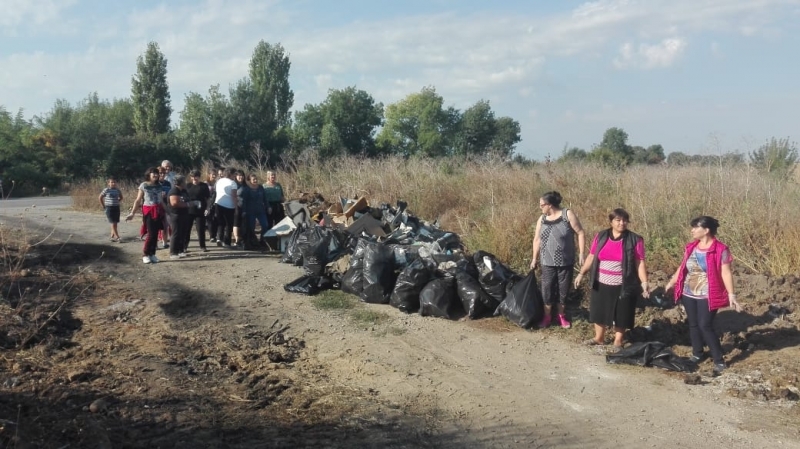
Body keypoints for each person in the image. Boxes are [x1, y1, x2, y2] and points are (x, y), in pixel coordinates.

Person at [663, 216, 741, 375]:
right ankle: (697, 353)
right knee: (693, 324)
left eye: (695, 227)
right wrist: (672, 282)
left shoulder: (721, 249)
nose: (692, 230)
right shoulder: (691, 247)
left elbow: (726, 273)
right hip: (688, 292)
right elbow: (682, 266)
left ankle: (719, 359)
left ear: (706, 230)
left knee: (705, 325)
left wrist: (731, 294)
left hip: (708, 294)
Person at [574, 208, 650, 351]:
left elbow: (639, 263)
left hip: (623, 283)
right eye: (618, 220)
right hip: (601, 281)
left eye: (625, 220)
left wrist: (644, 282)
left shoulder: (635, 239)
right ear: (611, 222)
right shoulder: (601, 236)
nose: (622, 223)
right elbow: (591, 256)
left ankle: (618, 341)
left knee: (622, 312)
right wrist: (581, 273)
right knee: (598, 311)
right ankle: (599, 338)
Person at [530, 191, 585, 329]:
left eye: (542, 205)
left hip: (566, 261)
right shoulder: (542, 219)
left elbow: (580, 232)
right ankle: (547, 317)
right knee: (547, 289)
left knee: (563, 290)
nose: (540, 207)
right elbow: (537, 239)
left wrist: (582, 253)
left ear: (550, 205)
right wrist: (534, 258)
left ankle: (561, 316)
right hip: (547, 261)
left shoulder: (567, 214)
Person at [126, 167, 164, 264]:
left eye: (157, 173)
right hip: (149, 211)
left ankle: (152, 254)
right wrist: (132, 213)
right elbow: (138, 200)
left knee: (155, 234)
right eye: (153, 173)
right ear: (149, 174)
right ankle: (145, 254)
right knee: (151, 234)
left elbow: (161, 201)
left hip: (158, 211)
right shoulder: (144, 185)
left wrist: (167, 211)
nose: (155, 175)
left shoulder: (159, 185)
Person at [240, 173, 270, 248]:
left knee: (265, 225)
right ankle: (253, 242)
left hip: (260, 210)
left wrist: (268, 206)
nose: (255, 180)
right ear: (249, 180)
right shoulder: (246, 189)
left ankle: (263, 240)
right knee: (251, 227)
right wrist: (244, 211)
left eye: (256, 179)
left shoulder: (260, 187)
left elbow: (265, 198)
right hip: (250, 211)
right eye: (254, 179)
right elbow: (244, 201)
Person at [166, 175, 192, 260]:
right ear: (179, 182)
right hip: (175, 215)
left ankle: (181, 251)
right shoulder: (174, 191)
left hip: (184, 214)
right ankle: (173, 252)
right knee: (176, 233)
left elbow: (187, 199)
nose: (185, 183)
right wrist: (188, 204)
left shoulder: (184, 190)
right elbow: (174, 203)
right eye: (184, 181)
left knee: (183, 233)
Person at [185, 170, 210, 252]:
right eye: (193, 176)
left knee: (201, 229)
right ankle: (184, 247)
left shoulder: (204, 186)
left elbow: (208, 198)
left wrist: (208, 208)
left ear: (199, 177)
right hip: (189, 210)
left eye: (196, 176)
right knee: (187, 229)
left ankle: (203, 246)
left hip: (200, 210)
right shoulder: (187, 186)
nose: (194, 178)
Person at [214, 168, 238, 249]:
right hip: (229, 205)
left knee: (221, 223)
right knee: (229, 224)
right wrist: (236, 207)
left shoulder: (219, 181)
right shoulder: (233, 183)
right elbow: (234, 195)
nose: (235, 176)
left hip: (218, 203)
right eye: (234, 174)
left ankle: (219, 238)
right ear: (231, 174)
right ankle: (227, 242)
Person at [98, 177, 123, 242]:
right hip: (109, 208)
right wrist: (104, 206)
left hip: (116, 208)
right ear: (109, 183)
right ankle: (117, 237)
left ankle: (112, 236)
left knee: (115, 223)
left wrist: (117, 201)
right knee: (112, 222)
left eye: (114, 182)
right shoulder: (106, 190)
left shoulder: (117, 190)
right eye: (112, 182)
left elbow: (121, 197)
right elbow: (100, 197)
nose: (113, 183)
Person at [158, 167, 172, 249]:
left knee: (166, 226)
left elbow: (170, 194)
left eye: (163, 173)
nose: (162, 174)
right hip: (157, 206)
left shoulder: (168, 183)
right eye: (160, 173)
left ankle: (165, 242)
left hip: (166, 206)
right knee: (155, 226)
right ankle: (155, 244)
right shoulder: (155, 183)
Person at [232, 170, 246, 248]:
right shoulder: (234, 185)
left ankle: (241, 239)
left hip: (245, 207)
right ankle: (237, 239)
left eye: (242, 175)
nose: (241, 177)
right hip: (236, 206)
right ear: (236, 176)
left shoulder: (245, 186)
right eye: (239, 175)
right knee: (236, 223)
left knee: (242, 224)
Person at [207, 169, 219, 243]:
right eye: (212, 174)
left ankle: (215, 235)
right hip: (208, 203)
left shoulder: (218, 183)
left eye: (215, 174)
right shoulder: (206, 183)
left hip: (216, 203)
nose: (214, 176)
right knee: (209, 220)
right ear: (209, 175)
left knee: (216, 220)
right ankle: (212, 236)